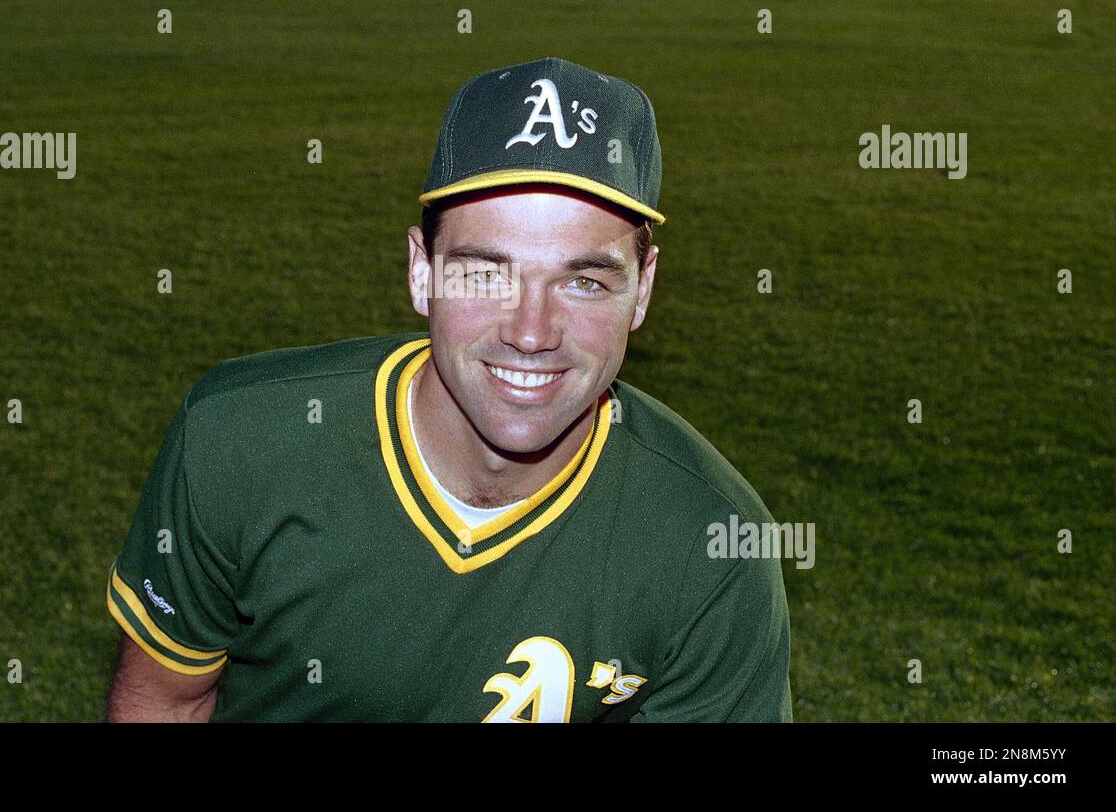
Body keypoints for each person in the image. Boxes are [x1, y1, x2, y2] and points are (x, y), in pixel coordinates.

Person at [105, 56, 793, 722]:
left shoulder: (713, 547)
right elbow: (166, 700)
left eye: (584, 280)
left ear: (642, 290)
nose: (531, 331)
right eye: (485, 271)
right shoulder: (241, 441)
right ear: (421, 271)